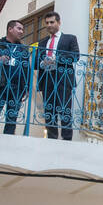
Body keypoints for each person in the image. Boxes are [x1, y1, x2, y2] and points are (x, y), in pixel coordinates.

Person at [35, 10, 79, 140]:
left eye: (52, 22)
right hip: (47, 79)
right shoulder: (42, 42)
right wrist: (43, 62)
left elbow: (75, 56)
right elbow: (37, 62)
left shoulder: (70, 38)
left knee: (65, 110)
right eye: (47, 23)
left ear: (59, 23)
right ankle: (51, 139)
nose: (49, 25)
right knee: (49, 111)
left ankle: (67, 140)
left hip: (63, 79)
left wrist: (56, 59)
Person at [0, 19, 32, 134]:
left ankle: (8, 144)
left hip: (17, 88)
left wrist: (27, 87)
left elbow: (27, 69)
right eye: (19, 29)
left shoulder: (24, 49)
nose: (22, 32)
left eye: (22, 30)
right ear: (10, 29)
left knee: (12, 119)